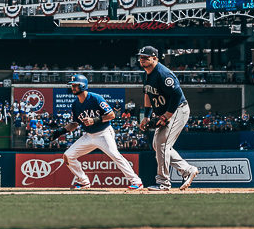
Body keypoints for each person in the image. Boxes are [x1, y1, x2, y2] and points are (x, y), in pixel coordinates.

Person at [52, 73, 143, 190]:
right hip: (89, 136)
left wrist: (94, 120)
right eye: (72, 85)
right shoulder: (75, 104)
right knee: (68, 156)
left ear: (83, 86)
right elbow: (75, 123)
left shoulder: (95, 98)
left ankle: (136, 181)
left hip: (103, 133)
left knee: (115, 156)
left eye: (75, 85)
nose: (73, 87)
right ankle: (83, 181)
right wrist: (60, 131)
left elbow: (112, 115)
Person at [137, 45, 199, 191]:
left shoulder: (163, 73)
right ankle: (187, 170)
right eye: (141, 57)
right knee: (157, 145)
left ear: (155, 58)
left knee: (162, 144)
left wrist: (167, 115)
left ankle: (163, 183)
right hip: (164, 112)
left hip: (177, 110)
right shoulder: (146, 74)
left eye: (146, 57)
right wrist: (146, 116)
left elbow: (177, 95)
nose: (142, 60)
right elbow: (147, 94)